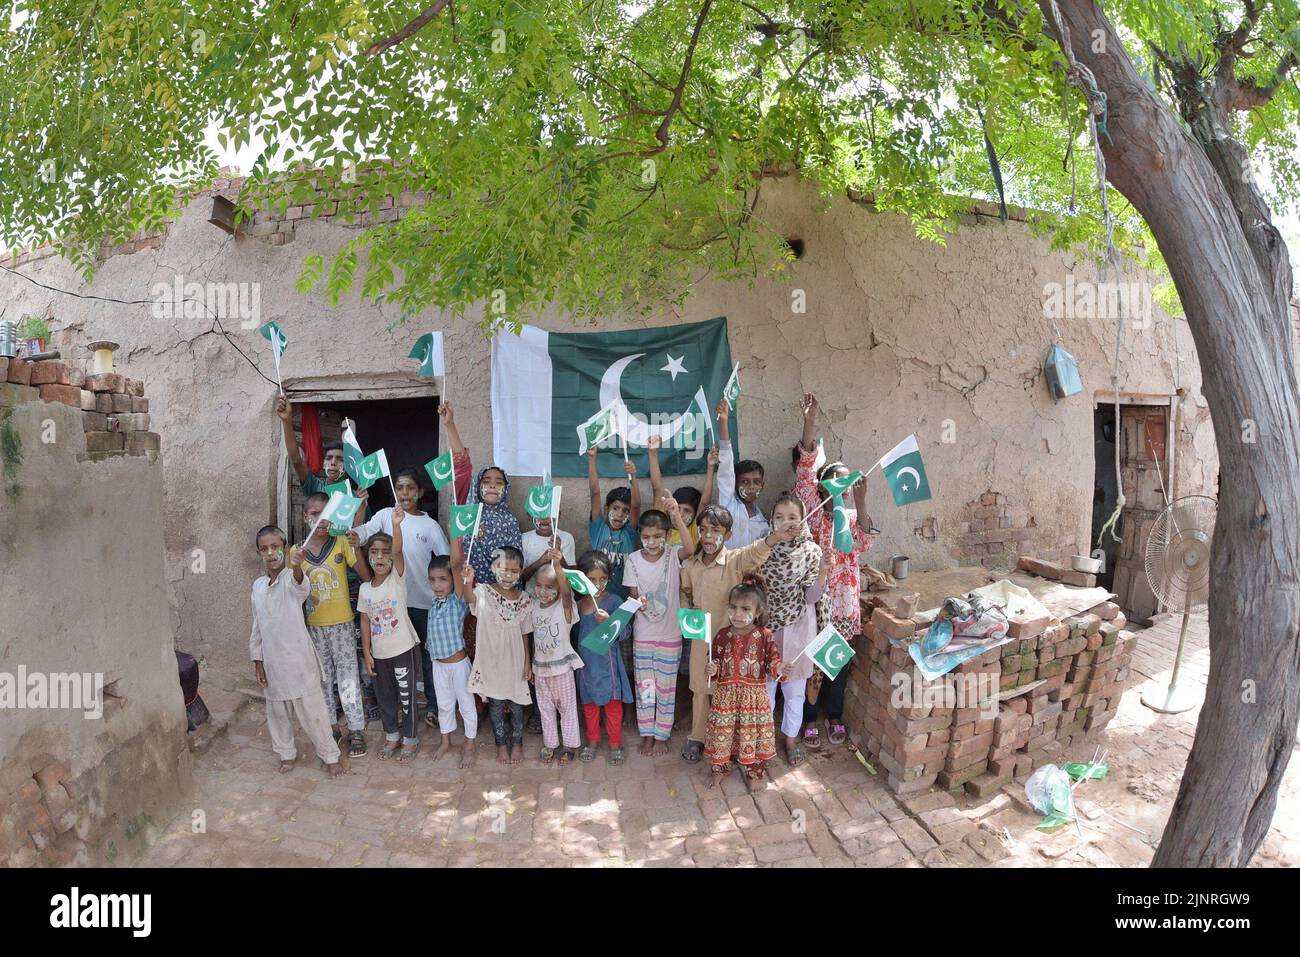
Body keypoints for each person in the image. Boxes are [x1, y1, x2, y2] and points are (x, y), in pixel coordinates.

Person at [678, 505, 799, 763]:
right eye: (703, 530)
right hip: (702, 640)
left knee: (730, 689)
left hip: (733, 641)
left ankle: (730, 740)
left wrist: (777, 535)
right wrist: (687, 613)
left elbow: (758, 551)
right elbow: (685, 593)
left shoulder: (735, 560)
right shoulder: (691, 566)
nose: (708, 536)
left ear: (728, 535)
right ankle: (698, 737)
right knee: (701, 688)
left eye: (715, 530)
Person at [795, 393, 877, 749]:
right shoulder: (812, 515)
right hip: (815, 603)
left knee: (838, 664)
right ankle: (810, 719)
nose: (841, 490)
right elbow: (806, 466)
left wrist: (858, 501)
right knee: (813, 663)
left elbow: (864, 543)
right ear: (822, 488)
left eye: (847, 484)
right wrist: (810, 424)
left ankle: (835, 715)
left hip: (844, 606)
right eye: (836, 484)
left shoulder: (851, 518)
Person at [354, 466, 451, 729]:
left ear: (419, 492)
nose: (404, 492)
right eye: (399, 488)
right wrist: (353, 532)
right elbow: (363, 533)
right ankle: (395, 707)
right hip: (390, 605)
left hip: (423, 603)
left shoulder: (429, 526)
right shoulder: (386, 516)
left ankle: (432, 707)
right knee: (391, 658)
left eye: (410, 488)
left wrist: (445, 595)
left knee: (429, 656)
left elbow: (444, 560)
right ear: (394, 492)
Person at [249, 525, 343, 777]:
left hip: (299, 660)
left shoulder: (292, 579)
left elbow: (301, 587)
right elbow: (257, 626)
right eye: (264, 549)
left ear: (285, 548)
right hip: (273, 663)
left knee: (313, 712)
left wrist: (298, 566)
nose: (270, 553)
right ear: (259, 553)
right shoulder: (258, 587)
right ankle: (285, 752)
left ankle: (330, 754)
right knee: (277, 713)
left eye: (275, 547)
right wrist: (258, 660)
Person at [290, 492, 371, 758]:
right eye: (315, 514)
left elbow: (365, 576)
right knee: (323, 679)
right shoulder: (296, 552)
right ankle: (331, 727)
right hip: (314, 625)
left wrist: (355, 547)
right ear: (306, 516)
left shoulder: (340, 544)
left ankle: (356, 728)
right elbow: (295, 590)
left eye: (326, 515)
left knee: (348, 676)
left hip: (342, 623)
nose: (321, 520)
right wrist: (296, 566)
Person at [759, 493, 831, 766]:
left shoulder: (812, 552)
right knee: (765, 690)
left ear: (802, 521)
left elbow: (812, 597)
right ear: (771, 520)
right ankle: (763, 738)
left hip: (799, 628)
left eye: (792, 517)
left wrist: (823, 572)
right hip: (766, 629)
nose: (786, 523)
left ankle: (789, 738)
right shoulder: (762, 549)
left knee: (795, 692)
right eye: (779, 517)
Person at [622, 495, 695, 755]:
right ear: (640, 536)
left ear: (667, 535)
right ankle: (647, 734)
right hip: (643, 635)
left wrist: (676, 515)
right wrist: (637, 600)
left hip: (670, 635)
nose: (652, 542)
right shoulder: (632, 560)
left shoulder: (673, 555)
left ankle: (662, 734)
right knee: (646, 687)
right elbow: (632, 594)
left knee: (667, 688)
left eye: (658, 536)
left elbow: (691, 548)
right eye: (646, 537)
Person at [705, 575, 784, 788]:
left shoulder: (765, 635)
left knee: (752, 734)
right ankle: (720, 768)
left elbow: (772, 663)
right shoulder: (722, 635)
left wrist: (780, 668)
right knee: (724, 733)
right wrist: (712, 668)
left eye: (745, 609)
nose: (738, 614)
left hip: (754, 700)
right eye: (733, 607)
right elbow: (714, 661)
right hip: (725, 699)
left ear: (758, 612)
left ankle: (754, 771)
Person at [357, 509, 423, 762]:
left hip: (402, 649)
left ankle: (410, 739)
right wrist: (366, 651)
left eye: (384, 552)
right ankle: (392, 735)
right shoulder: (365, 589)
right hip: (379, 653)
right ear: (368, 557)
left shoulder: (397, 579)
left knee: (406, 697)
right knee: (385, 697)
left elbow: (397, 552)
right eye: (374, 552)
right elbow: (364, 620)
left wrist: (396, 526)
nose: (380, 556)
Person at [463, 542, 534, 764]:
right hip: (491, 660)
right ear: (494, 569)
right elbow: (470, 599)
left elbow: (525, 633)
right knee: (494, 704)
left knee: (516, 704)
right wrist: (467, 580)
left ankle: (517, 743)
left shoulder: (524, 599)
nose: (508, 575)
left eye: (514, 571)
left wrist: (527, 662)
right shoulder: (484, 592)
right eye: (503, 570)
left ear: (521, 572)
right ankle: (501, 745)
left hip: (515, 660)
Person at [573, 551, 634, 765]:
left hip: (609, 666)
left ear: (609, 577)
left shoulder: (614, 601)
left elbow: (626, 634)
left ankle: (615, 743)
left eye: (603, 579)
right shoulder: (580, 604)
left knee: (613, 706)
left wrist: (609, 622)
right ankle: (592, 741)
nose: (598, 584)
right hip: (587, 665)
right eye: (591, 579)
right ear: (582, 580)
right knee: (589, 705)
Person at [528, 553, 583, 764]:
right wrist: (532, 664)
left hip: (561, 669)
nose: (543, 591)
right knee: (545, 708)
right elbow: (532, 637)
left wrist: (558, 564)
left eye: (550, 587)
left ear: (559, 589)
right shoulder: (533, 607)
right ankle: (550, 743)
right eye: (539, 586)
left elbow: (567, 593)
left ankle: (569, 744)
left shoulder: (564, 608)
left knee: (567, 708)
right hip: (541, 669)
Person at [427, 554, 477, 768]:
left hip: (458, 666)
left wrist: (454, 534)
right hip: (439, 665)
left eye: (443, 579)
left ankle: (469, 745)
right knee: (444, 706)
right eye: (432, 579)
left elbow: (456, 565)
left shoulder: (457, 602)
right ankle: (445, 741)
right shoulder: (434, 604)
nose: (437, 585)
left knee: (466, 706)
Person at [715, 397, 770, 548]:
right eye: (744, 482)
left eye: (756, 482)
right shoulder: (728, 504)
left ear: (762, 486)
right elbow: (725, 466)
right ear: (734, 484)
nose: (751, 486)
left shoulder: (764, 524)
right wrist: (724, 421)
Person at [586, 446, 641, 598]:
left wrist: (633, 476)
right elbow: (595, 492)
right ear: (606, 509)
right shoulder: (598, 528)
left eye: (625, 510)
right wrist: (592, 459)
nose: (619, 514)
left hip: (624, 600)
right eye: (615, 508)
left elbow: (636, 505)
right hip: (599, 599)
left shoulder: (629, 533)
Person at [647, 435, 717, 547]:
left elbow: (704, 502)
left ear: (695, 515)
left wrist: (711, 467)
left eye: (687, 510)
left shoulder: (694, 529)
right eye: (677, 508)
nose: (680, 514)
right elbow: (657, 488)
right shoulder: (661, 525)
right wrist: (653, 454)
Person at [465, 465, 524, 585]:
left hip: (502, 588)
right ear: (477, 487)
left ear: (506, 488)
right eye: (486, 482)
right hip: (471, 587)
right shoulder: (469, 516)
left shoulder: (510, 521)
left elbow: (515, 560)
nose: (492, 486)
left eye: (498, 482)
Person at [276, 396, 346, 495]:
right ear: (324, 463)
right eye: (329, 458)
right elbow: (296, 460)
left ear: (347, 465)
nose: (333, 463)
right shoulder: (315, 487)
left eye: (340, 459)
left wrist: (362, 506)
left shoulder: (356, 496)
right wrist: (286, 420)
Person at [520, 511, 576, 593]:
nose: (544, 518)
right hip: (533, 595)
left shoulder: (566, 538)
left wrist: (558, 553)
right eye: (539, 513)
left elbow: (573, 578)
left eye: (549, 513)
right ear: (529, 516)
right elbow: (522, 577)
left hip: (560, 594)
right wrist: (541, 561)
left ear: (558, 515)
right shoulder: (524, 539)